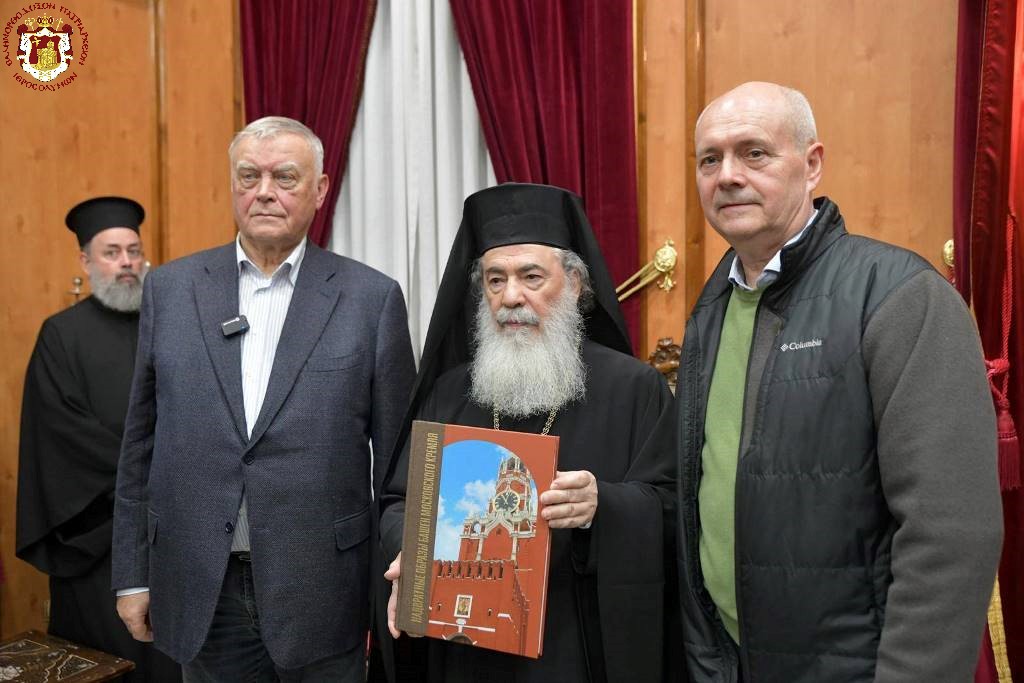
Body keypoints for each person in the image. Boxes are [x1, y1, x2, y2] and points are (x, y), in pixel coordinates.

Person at [676, 81, 1003, 682]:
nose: (726, 176)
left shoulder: (901, 296)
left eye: (754, 153)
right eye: (708, 159)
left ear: (812, 164)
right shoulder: (712, 308)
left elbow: (950, 533)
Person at [111, 116, 416, 682]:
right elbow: (140, 445)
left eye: (286, 177)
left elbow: (400, 466)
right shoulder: (171, 291)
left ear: (320, 190)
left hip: (324, 591)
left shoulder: (371, 299)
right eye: (249, 176)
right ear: (232, 184)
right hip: (203, 586)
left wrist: (397, 579)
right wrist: (133, 574)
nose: (264, 192)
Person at [379, 183, 677, 682]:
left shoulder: (634, 388)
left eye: (531, 276)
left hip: (577, 647)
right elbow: (397, 501)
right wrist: (410, 547)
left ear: (576, 285)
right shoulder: (451, 393)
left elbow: (673, 508)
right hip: (463, 652)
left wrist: (603, 503)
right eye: (496, 280)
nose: (511, 297)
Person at [16, 196, 180, 681]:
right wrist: (147, 474)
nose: (127, 262)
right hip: (97, 536)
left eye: (133, 250)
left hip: (172, 529)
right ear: (85, 261)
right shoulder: (61, 336)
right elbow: (63, 438)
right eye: (112, 252)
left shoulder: (169, 325)